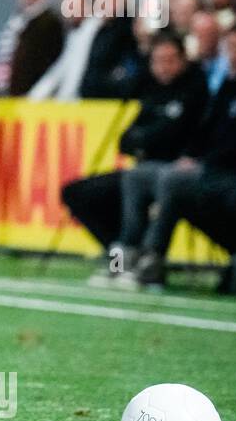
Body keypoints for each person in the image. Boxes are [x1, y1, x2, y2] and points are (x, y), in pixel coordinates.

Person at [117, 19, 236, 288]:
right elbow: (204, 130)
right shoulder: (227, 85)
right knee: (135, 176)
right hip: (204, 163)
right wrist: (191, 154)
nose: (234, 54)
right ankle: (122, 259)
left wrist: (209, 161)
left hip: (232, 169)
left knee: (171, 179)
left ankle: (152, 258)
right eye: (231, 47)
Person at [61, 32, 208, 280]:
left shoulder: (196, 88)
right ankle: (121, 252)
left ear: (184, 60)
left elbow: (175, 133)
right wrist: (146, 139)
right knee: (78, 192)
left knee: (153, 180)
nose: (163, 67)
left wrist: (146, 140)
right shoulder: (148, 87)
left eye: (170, 60)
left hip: (176, 171)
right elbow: (126, 139)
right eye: (158, 60)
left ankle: (147, 257)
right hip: (144, 169)